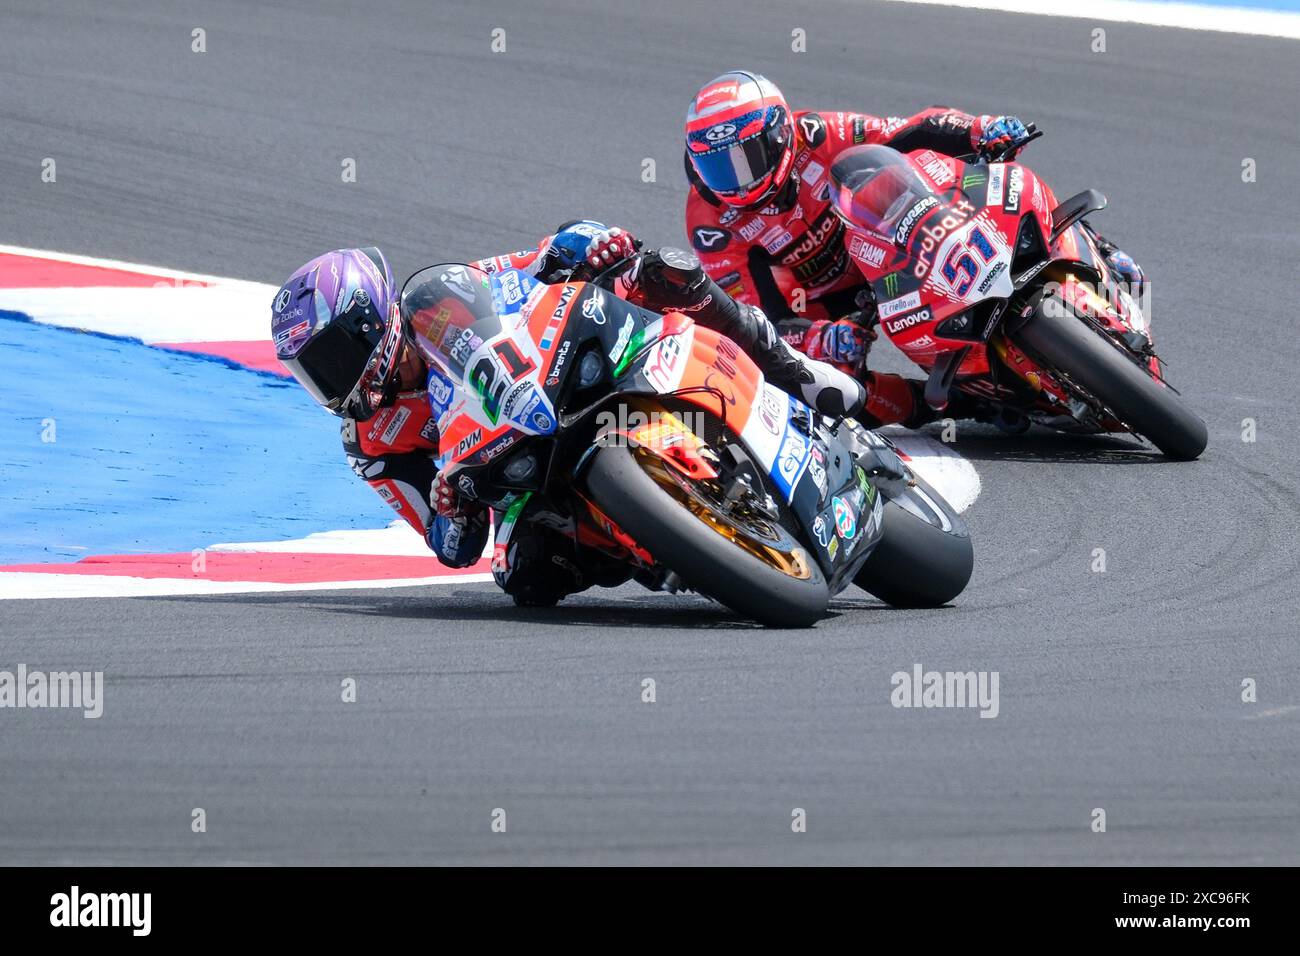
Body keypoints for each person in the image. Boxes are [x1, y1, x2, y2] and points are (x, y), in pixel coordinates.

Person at [270, 221, 864, 606]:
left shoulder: (441, 296)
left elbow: (544, 256)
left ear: (367, 320)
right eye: (310, 373)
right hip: (515, 460)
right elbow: (450, 546)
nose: (327, 382)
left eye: (328, 359)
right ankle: (673, 543)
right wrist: (451, 511)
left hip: (559, 369)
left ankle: (794, 371)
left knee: (664, 271)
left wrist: (588, 244)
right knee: (526, 576)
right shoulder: (370, 443)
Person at [683, 70, 1145, 427]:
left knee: (972, 177)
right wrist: (819, 337)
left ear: (780, 135)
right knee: (819, 384)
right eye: (716, 166)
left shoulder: (818, 133)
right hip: (826, 302)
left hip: (884, 238)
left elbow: (910, 130)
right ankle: (963, 403)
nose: (734, 180)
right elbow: (755, 316)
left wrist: (980, 130)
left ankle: (1093, 247)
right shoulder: (710, 224)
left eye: (746, 157)